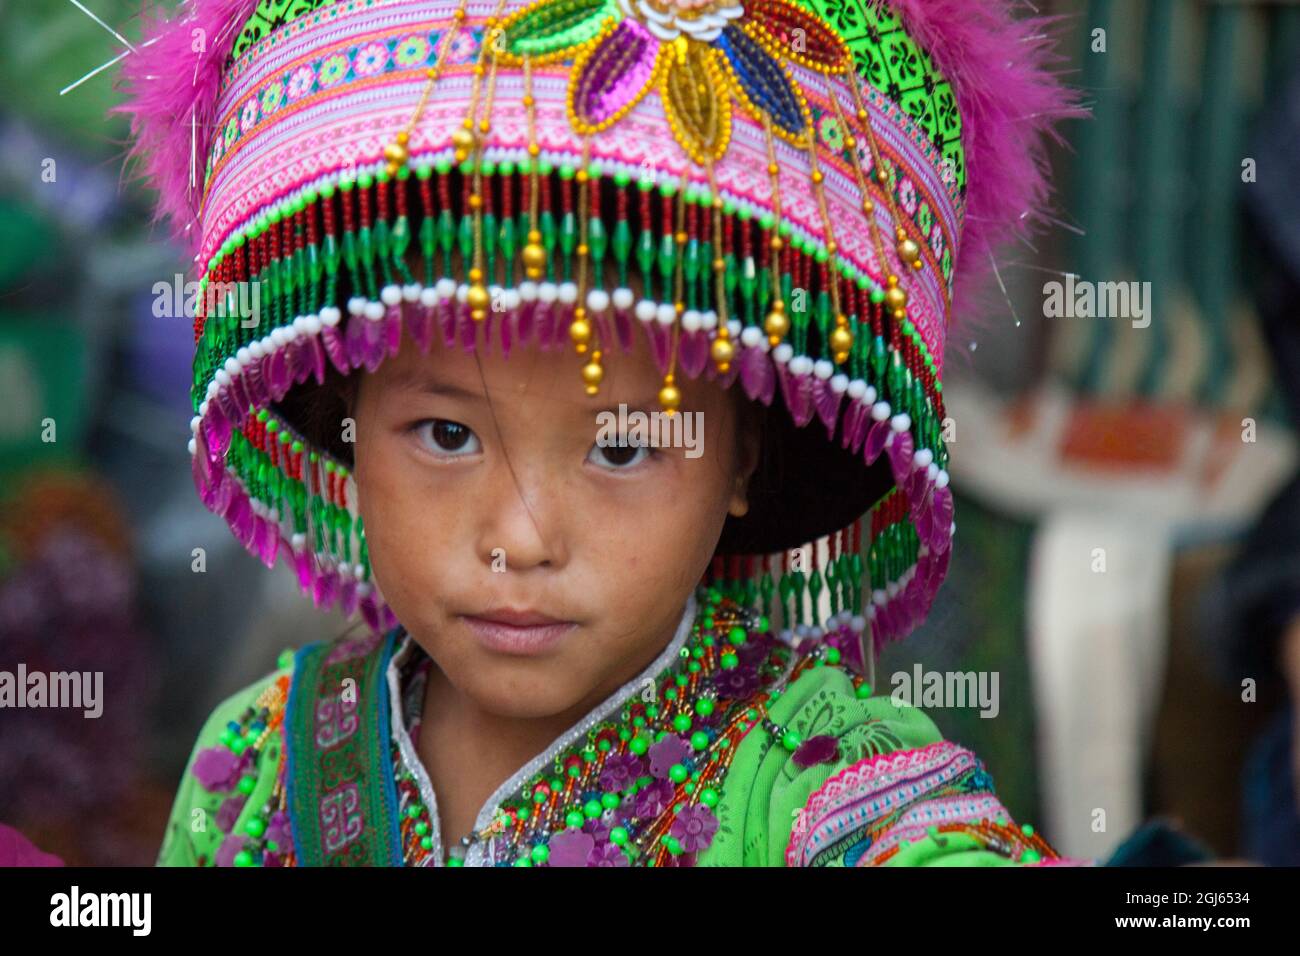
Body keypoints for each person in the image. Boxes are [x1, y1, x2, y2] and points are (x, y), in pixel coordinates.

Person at [119, 0, 1083, 866]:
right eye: (446, 435)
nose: (522, 538)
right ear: (349, 419)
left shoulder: (812, 785)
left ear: (740, 459)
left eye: (620, 447)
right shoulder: (255, 771)